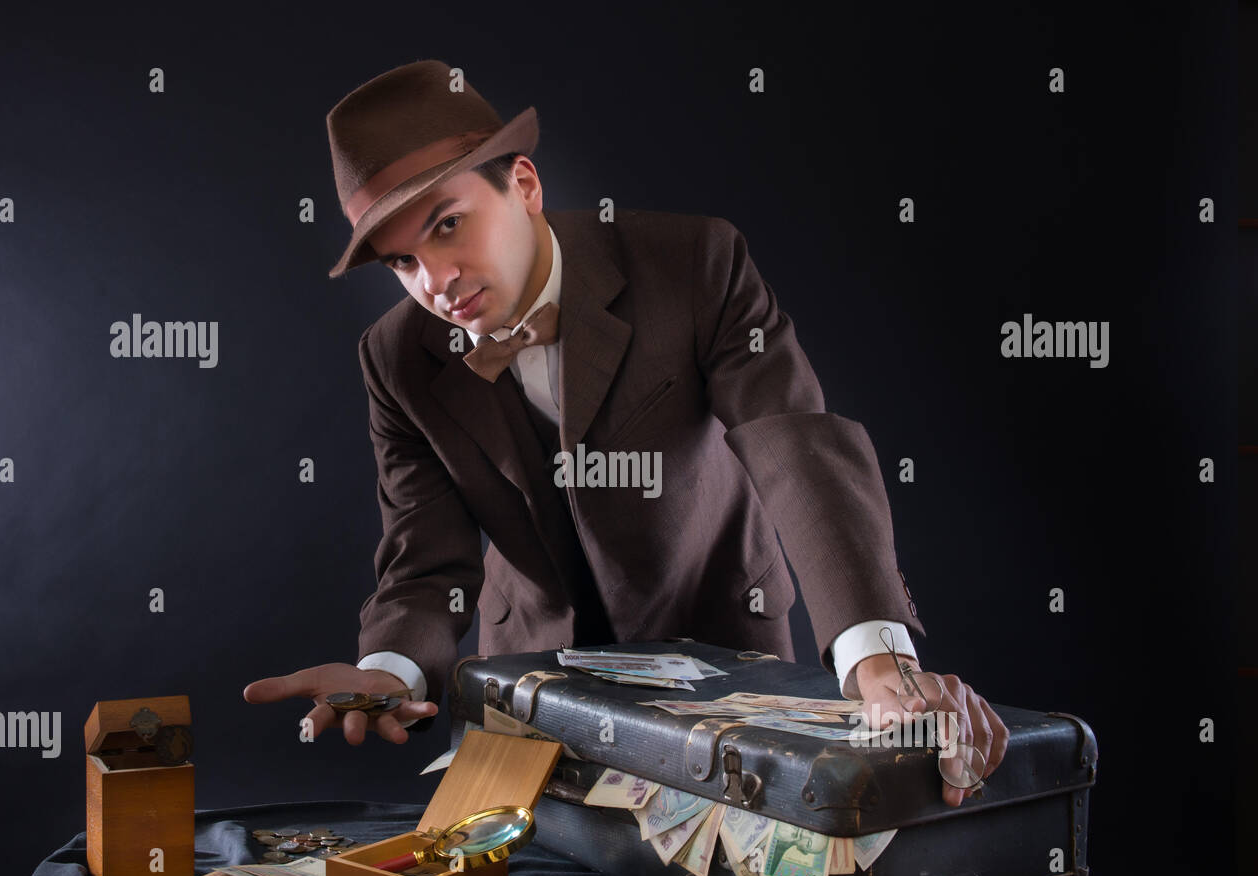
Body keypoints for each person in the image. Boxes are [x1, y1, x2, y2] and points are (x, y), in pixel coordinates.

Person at [243, 60, 1008, 807]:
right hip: (533, 693)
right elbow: (424, 554)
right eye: (403, 260)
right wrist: (392, 667)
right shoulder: (396, 358)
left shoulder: (695, 265)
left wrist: (874, 654)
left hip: (722, 661)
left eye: (449, 225)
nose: (434, 282)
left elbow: (795, 443)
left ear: (525, 186)